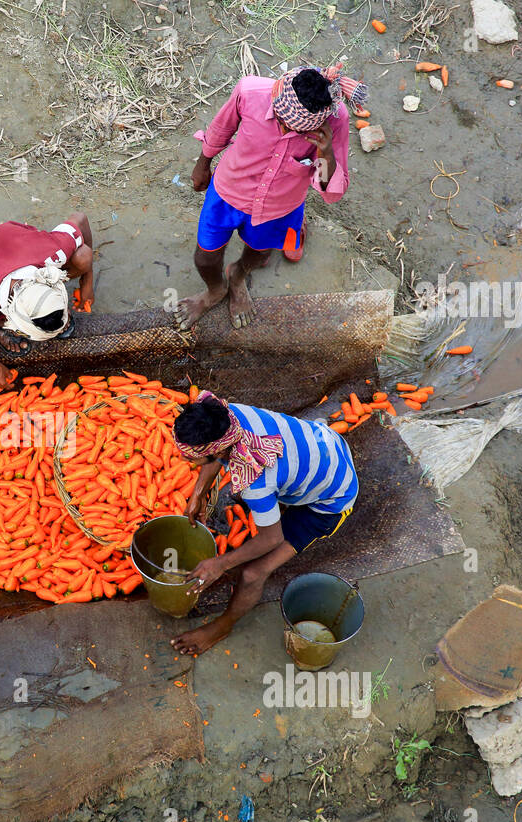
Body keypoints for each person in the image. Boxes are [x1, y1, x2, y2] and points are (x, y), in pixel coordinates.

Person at [177, 64, 366, 330]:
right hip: (228, 191)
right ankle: (215, 290)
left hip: (280, 205)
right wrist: (203, 163)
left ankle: (238, 276)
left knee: (258, 252)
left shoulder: (335, 119)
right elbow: (222, 127)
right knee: (205, 256)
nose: (282, 128)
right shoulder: (251, 90)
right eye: (279, 120)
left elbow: (327, 186)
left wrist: (325, 153)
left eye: (293, 129)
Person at [168, 392, 357, 656]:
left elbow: (272, 539)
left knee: (252, 573)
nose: (184, 459)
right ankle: (290, 491)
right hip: (325, 446)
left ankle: (222, 626)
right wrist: (199, 492)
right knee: (262, 514)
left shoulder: (256, 482)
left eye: (191, 457)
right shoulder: (224, 414)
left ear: (220, 450)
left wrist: (220, 565)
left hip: (329, 501)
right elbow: (215, 456)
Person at [0, 213, 95, 389]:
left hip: (15, 236)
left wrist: (86, 283)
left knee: (83, 257)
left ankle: (48, 311)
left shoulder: (54, 251)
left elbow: (80, 219)